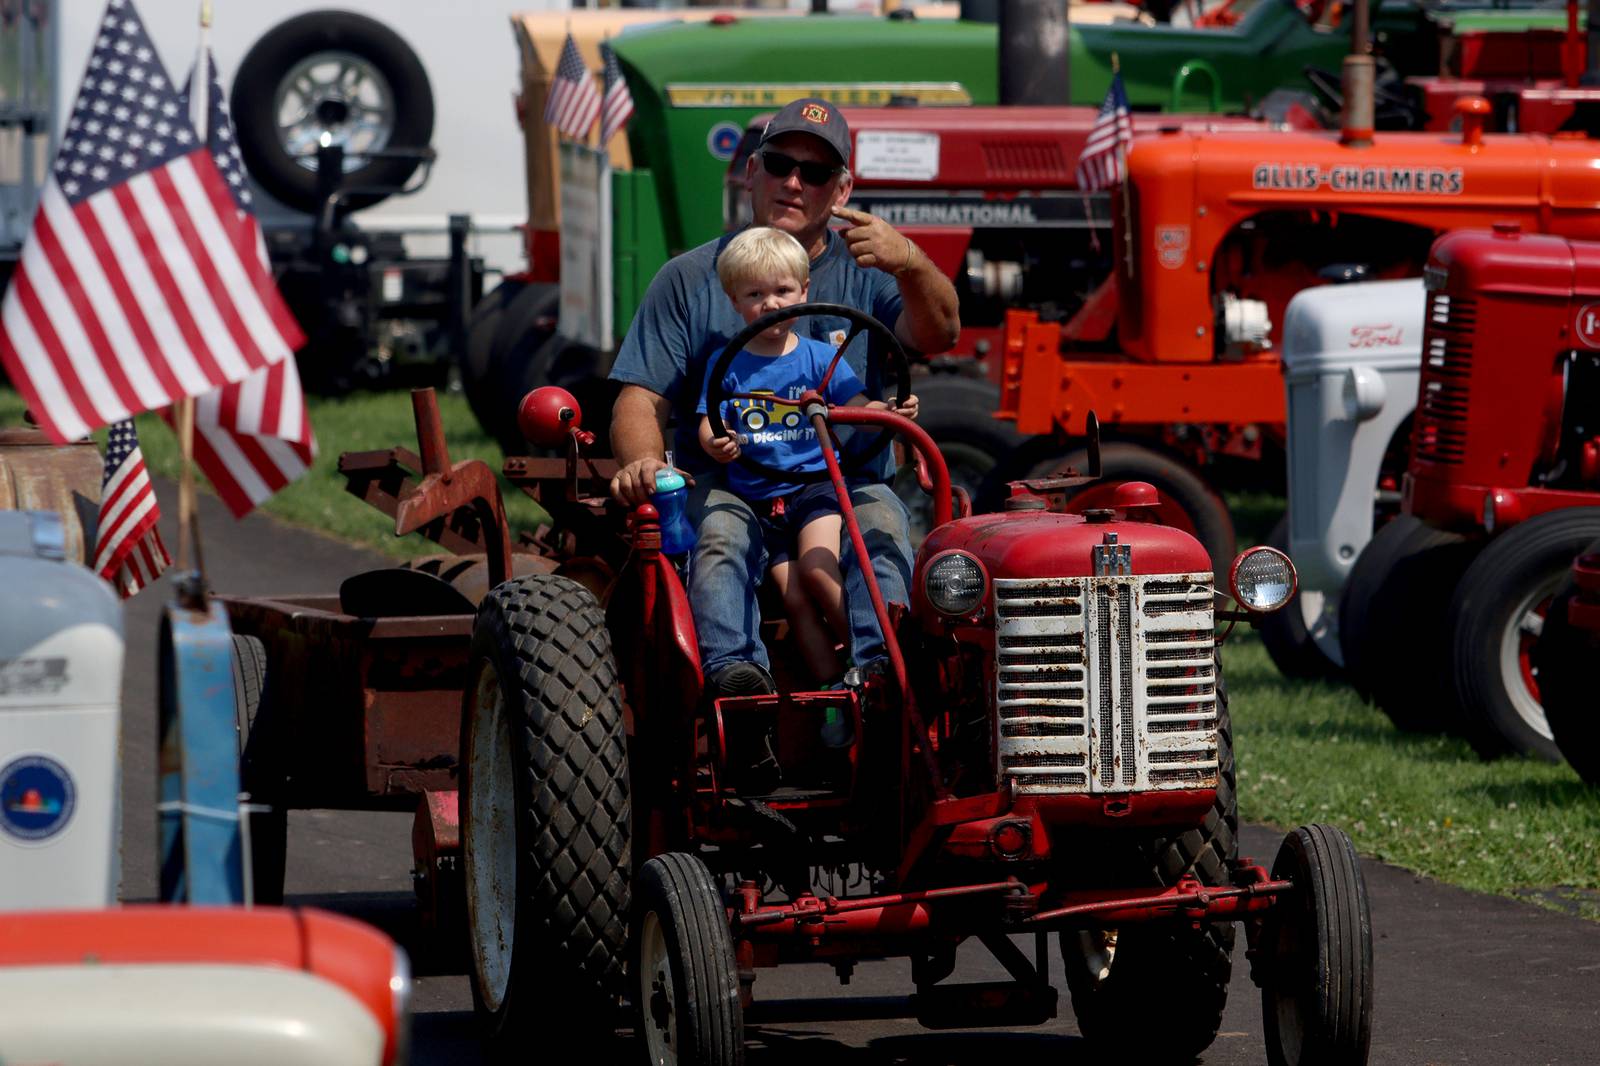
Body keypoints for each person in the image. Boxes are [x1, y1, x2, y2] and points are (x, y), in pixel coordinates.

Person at [608, 96, 960, 698]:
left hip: (840, 482)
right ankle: (736, 686)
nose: (794, 182)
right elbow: (641, 399)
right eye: (778, 163)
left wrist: (913, 264)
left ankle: (886, 675)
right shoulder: (690, 278)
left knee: (880, 520)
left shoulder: (871, 271)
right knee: (717, 534)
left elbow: (940, 333)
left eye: (816, 172)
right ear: (752, 172)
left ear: (841, 191)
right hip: (729, 484)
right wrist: (643, 463)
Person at [698, 226, 920, 687]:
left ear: (804, 291)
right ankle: (829, 689)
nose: (771, 304)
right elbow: (709, 421)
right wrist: (715, 442)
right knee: (795, 596)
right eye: (755, 293)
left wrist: (890, 410)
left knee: (818, 570)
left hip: (814, 487)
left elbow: (857, 408)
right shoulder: (728, 362)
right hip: (760, 502)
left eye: (782, 291)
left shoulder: (820, 359)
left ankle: (876, 662)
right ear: (733, 299)